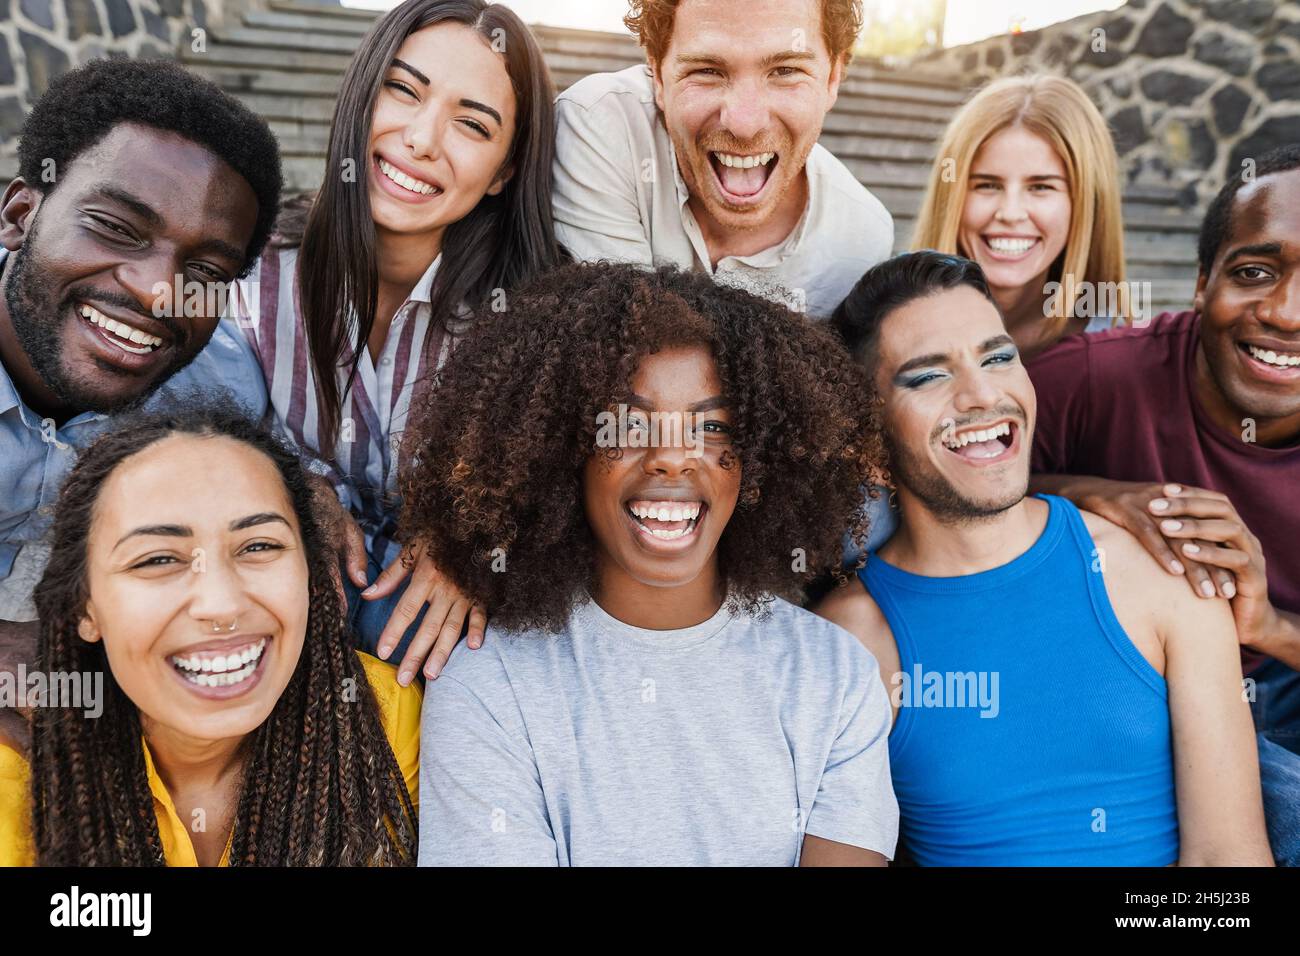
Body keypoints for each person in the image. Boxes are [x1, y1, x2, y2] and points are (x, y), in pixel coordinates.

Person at [406, 262, 897, 866]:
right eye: (628, 424)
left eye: (712, 426)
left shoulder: (834, 676)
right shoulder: (488, 686)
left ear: (757, 459)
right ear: (560, 453)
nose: (672, 457)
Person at [818, 251, 1271, 866]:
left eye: (998, 357)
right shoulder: (850, 642)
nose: (982, 394)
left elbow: (1228, 867)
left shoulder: (1160, 574)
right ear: (869, 446)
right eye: (928, 376)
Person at [222, 0, 564, 685]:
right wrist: (291, 489)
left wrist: (483, 535)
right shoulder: (247, 275)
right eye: (403, 90)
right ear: (361, 95)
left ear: (502, 172)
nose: (422, 138)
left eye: (472, 124)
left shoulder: (532, 319)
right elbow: (189, 441)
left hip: (439, 645)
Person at [1029, 145, 1300, 865]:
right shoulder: (1091, 378)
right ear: (1202, 281)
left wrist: (1268, 625)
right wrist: (1091, 494)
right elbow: (937, 487)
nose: (1285, 313)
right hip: (1127, 694)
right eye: (1255, 273)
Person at [0, 57, 282, 747]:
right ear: (19, 214)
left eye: (207, 271)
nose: (161, 292)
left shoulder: (220, 390)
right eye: (117, 228)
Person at [0, 406, 419, 865]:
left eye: (259, 546)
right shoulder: (13, 780)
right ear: (86, 607)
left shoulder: (383, 717)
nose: (221, 606)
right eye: (157, 559)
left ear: (313, 576)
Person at [552, 0, 892, 319]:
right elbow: (619, 345)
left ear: (833, 78)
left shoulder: (862, 238)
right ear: (657, 75)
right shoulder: (598, 123)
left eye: (786, 70)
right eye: (707, 71)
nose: (744, 124)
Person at [911, 74, 1130, 360]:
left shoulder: (1115, 352)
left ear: (1087, 204)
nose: (1010, 213)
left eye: (1041, 187)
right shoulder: (887, 322)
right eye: (987, 185)